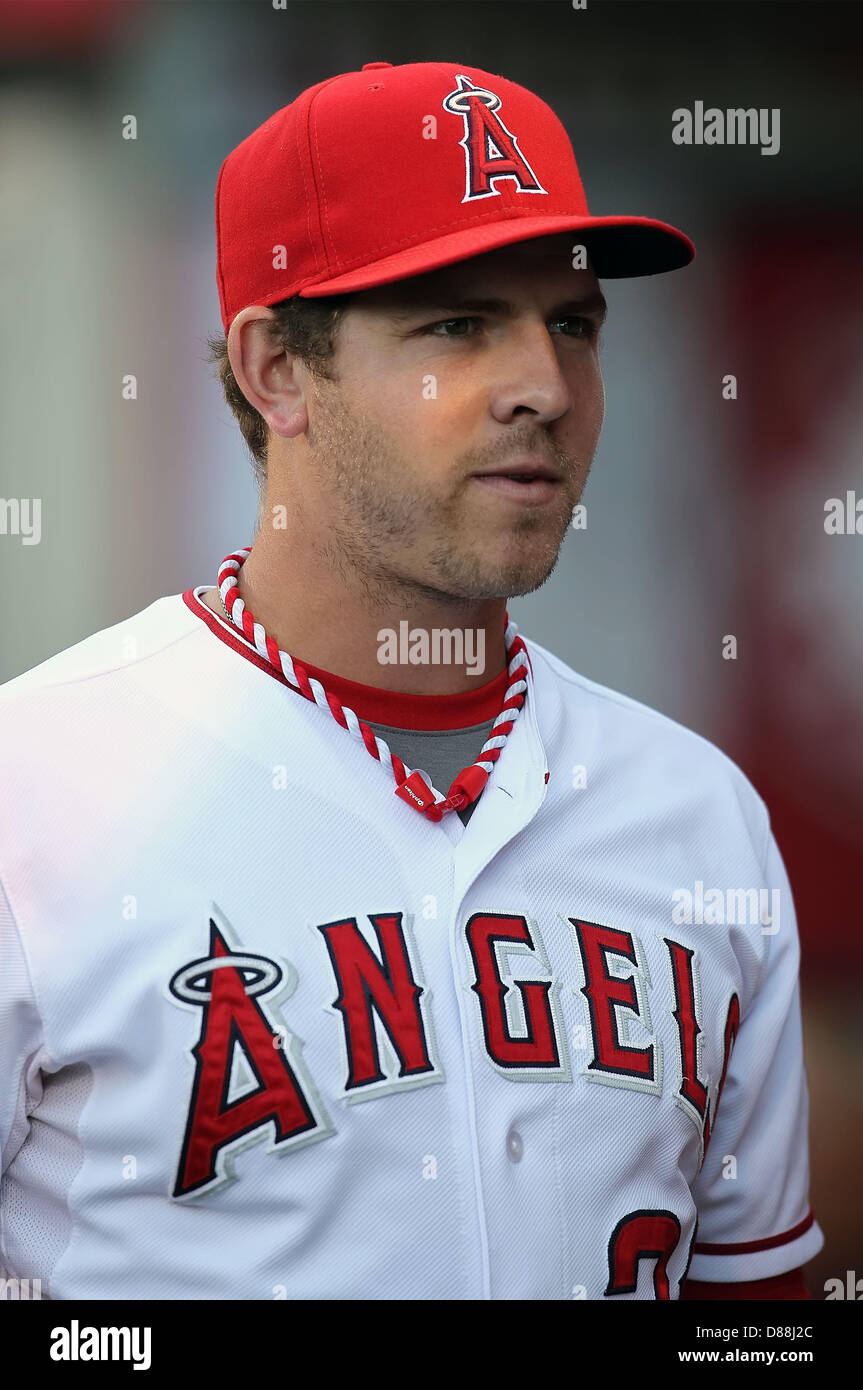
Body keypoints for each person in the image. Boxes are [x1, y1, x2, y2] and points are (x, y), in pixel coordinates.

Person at [0, 61, 823, 1300]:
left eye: (573, 324)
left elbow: (754, 1309)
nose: (543, 386)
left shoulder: (696, 814)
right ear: (278, 369)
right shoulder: (36, 789)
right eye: (457, 324)